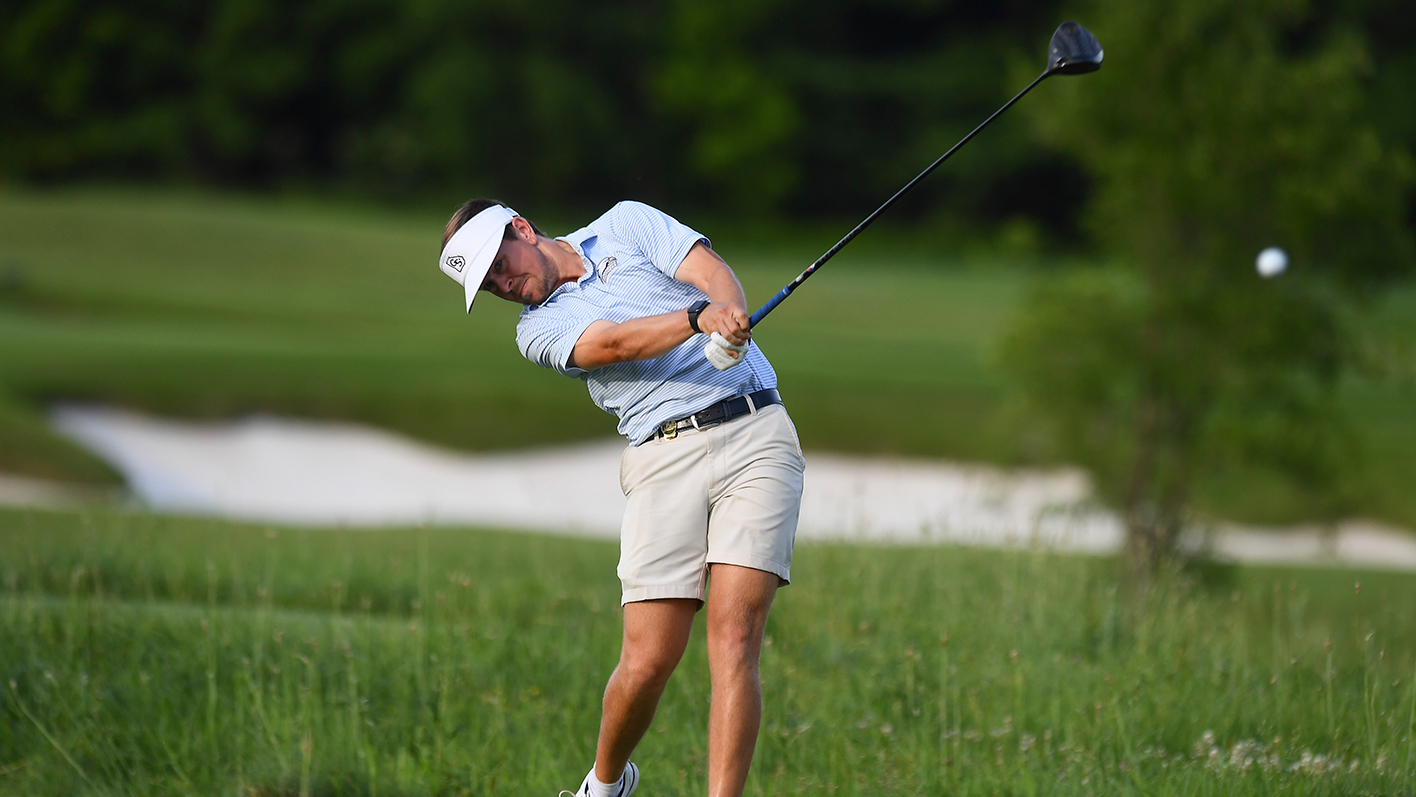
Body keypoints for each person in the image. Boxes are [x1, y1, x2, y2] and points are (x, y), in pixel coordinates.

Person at [438, 199, 805, 797]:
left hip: (755, 433)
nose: (506, 285)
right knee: (647, 664)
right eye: (492, 285)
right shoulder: (535, 331)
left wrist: (729, 311)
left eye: (501, 265)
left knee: (735, 637)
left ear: (523, 229)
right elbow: (611, 346)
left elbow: (707, 268)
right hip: (662, 459)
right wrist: (697, 320)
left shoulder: (625, 224)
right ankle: (605, 785)